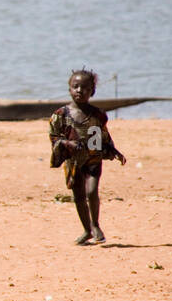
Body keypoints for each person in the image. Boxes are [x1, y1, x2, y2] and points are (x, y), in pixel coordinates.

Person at [49, 68, 127, 245]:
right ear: (69, 89)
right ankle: (86, 230)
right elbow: (54, 137)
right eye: (75, 87)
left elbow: (102, 137)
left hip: (93, 159)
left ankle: (96, 225)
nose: (79, 91)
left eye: (84, 87)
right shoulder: (60, 115)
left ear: (92, 91)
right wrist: (68, 144)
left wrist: (114, 151)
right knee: (78, 196)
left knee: (91, 191)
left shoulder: (97, 115)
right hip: (73, 161)